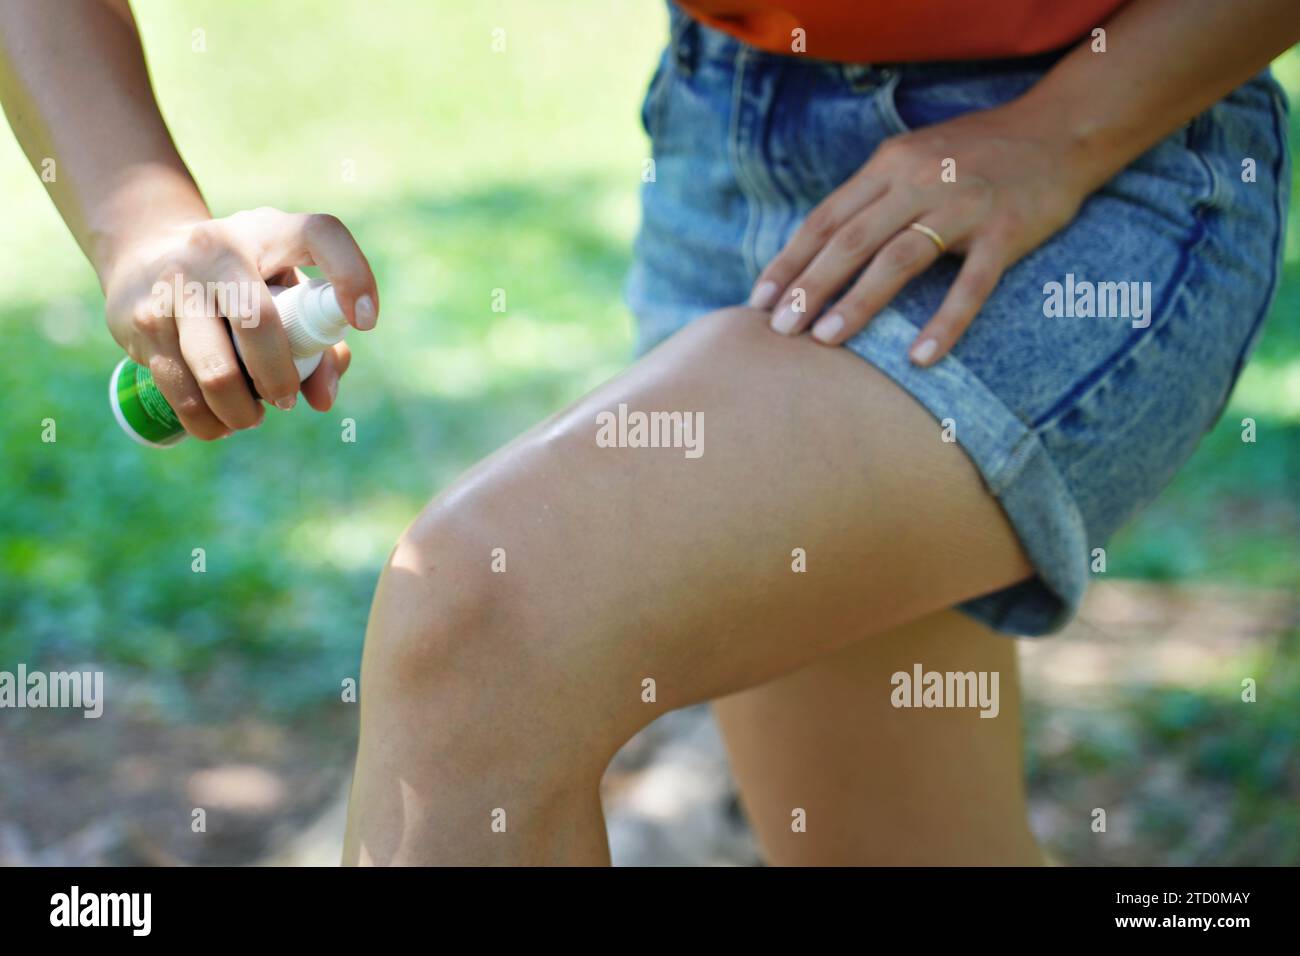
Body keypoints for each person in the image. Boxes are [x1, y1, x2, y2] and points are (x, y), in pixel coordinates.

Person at [2, 0, 1294, 866]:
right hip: (733, 139)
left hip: (1083, 150)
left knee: (486, 622)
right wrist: (144, 224)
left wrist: (1056, 132)